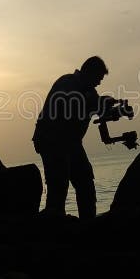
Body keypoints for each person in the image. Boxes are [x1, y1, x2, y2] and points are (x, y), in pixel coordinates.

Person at [33, 56, 115, 219]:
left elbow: (96, 109)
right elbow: (74, 108)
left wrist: (111, 109)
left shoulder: (90, 91)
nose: (99, 83)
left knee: (86, 183)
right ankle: (54, 226)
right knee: (58, 185)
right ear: (89, 72)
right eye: (98, 78)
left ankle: (87, 225)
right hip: (51, 139)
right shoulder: (67, 83)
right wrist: (99, 104)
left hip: (70, 142)